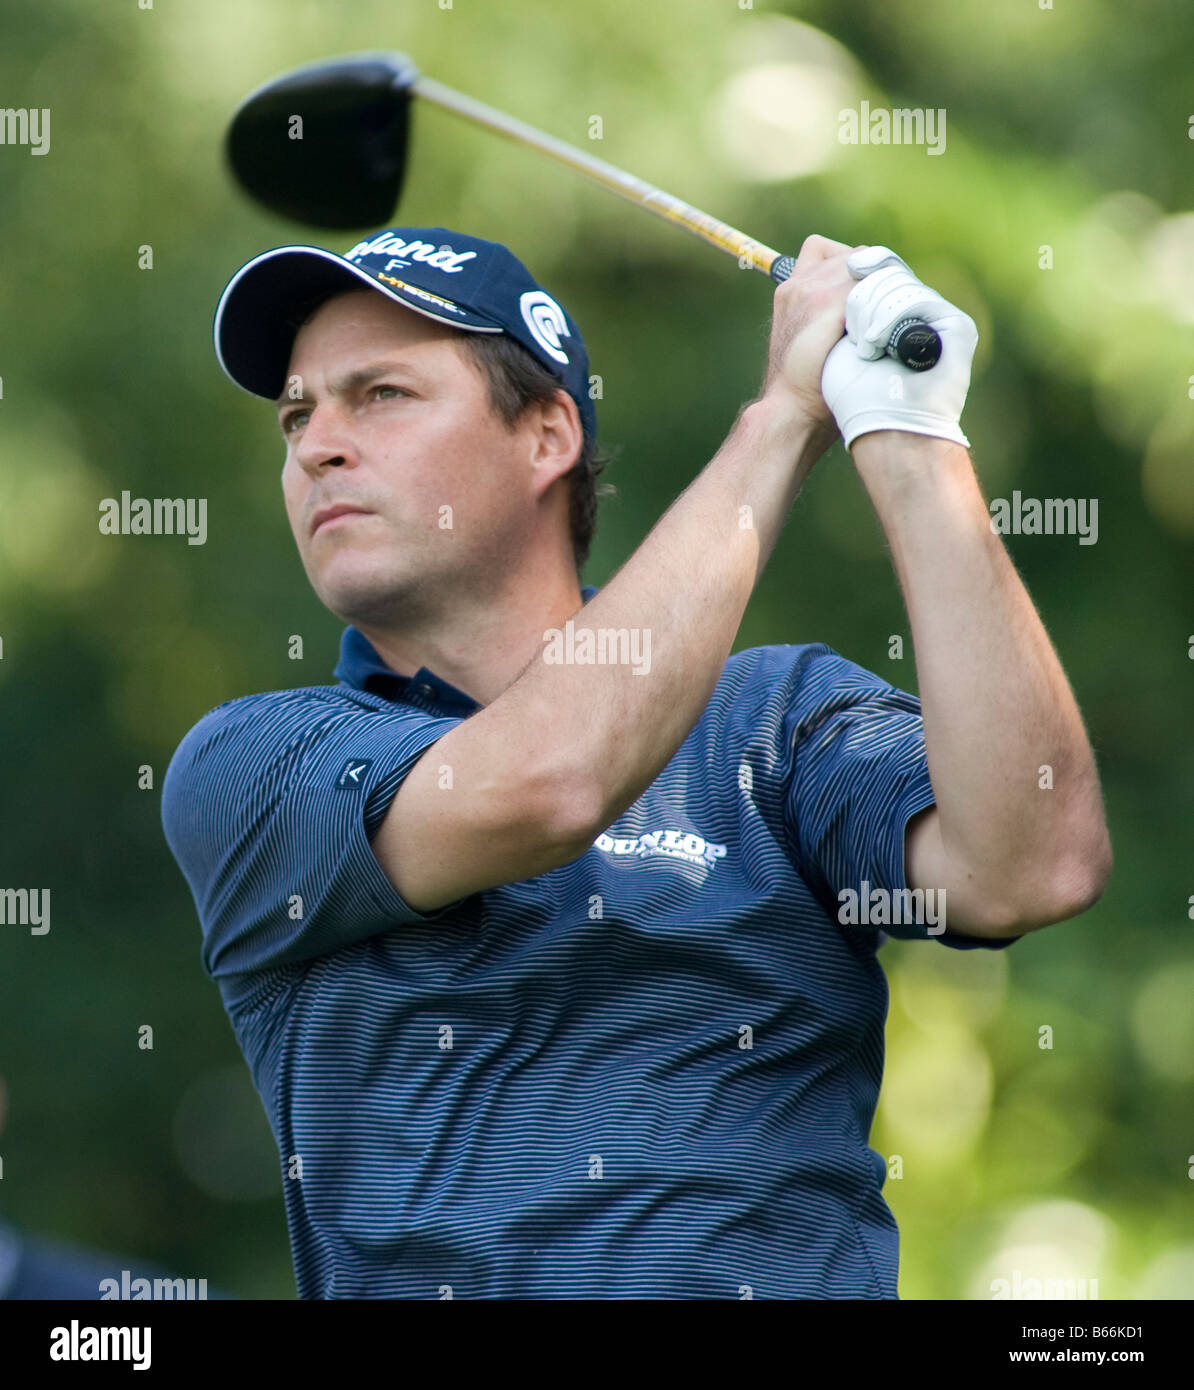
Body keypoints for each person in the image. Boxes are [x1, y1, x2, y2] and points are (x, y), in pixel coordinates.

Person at [162, 225, 1111, 1298]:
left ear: (545, 435)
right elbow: (556, 777)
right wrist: (787, 415)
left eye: (379, 394)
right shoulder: (253, 765)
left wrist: (905, 431)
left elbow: (1031, 866)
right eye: (298, 413)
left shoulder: (776, 719)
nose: (315, 445)